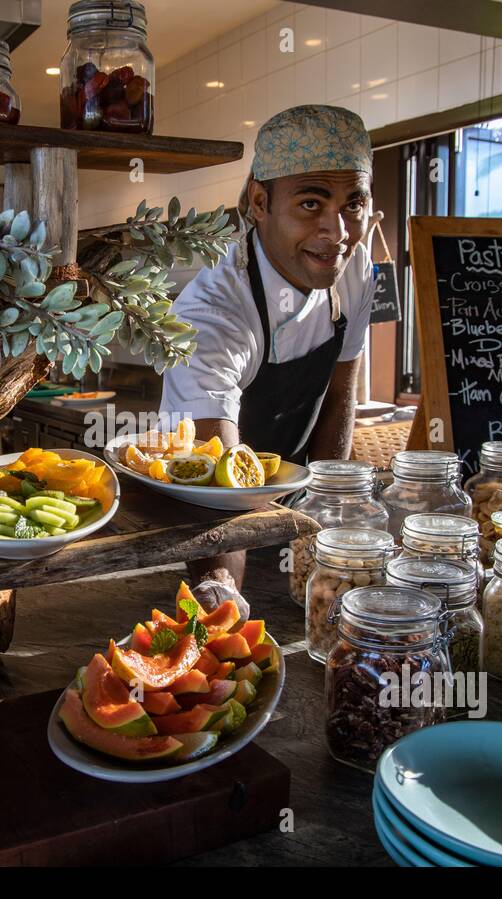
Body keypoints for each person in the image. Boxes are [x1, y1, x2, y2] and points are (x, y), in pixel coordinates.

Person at [158, 105, 376, 616]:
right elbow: (218, 474)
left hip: (292, 516)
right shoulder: (213, 312)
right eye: (310, 203)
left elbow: (341, 391)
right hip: (211, 525)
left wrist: (325, 547)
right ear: (260, 201)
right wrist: (222, 598)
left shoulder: (355, 267)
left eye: (353, 204)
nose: (337, 230)